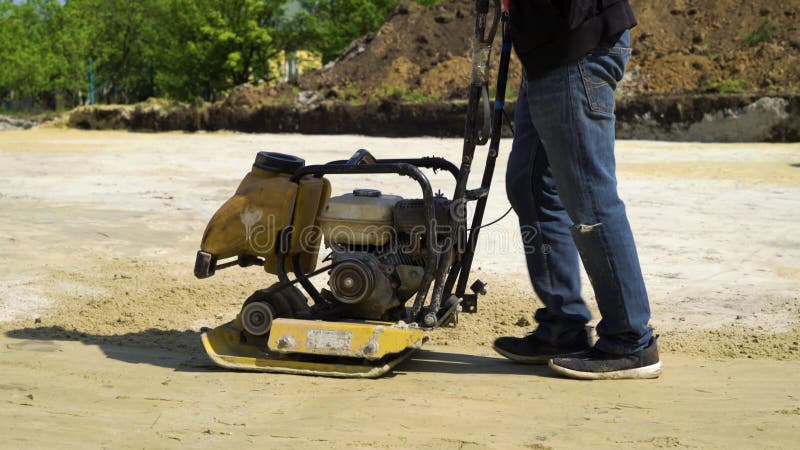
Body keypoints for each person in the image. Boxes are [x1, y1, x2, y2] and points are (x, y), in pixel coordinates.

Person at [492, 0, 661, 379]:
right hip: (547, 53)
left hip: (578, 47)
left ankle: (631, 338)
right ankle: (563, 327)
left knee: (589, 196)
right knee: (529, 186)